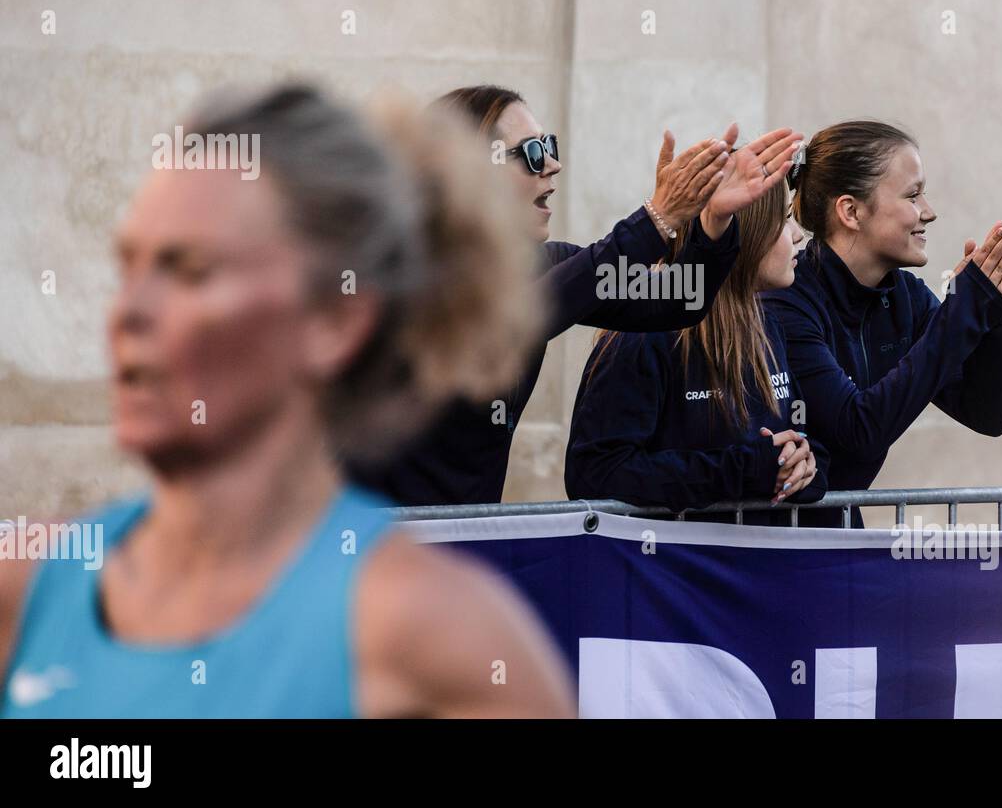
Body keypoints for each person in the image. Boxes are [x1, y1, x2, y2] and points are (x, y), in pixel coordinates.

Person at [0, 83, 574, 717]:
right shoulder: (29, 585)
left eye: (191, 270)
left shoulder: (449, 645)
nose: (128, 313)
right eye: (129, 267)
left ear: (334, 321)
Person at [346, 85, 802, 507]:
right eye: (531, 153)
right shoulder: (404, 279)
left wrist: (713, 222)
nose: (552, 164)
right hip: (359, 555)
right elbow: (512, 321)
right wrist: (656, 219)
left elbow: (679, 298)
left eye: (551, 147)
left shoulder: (544, 266)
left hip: (453, 549)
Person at [764, 120, 1002, 527]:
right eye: (913, 194)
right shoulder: (785, 299)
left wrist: (993, 311)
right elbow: (858, 429)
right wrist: (964, 310)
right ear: (851, 211)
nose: (929, 212)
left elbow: (988, 414)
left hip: (836, 533)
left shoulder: (906, 297)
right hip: (755, 547)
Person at [565, 171, 825, 525]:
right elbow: (595, 475)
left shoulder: (769, 324)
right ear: (746, 235)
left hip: (750, 571)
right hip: (670, 572)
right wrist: (743, 472)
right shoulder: (642, 337)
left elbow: (786, 442)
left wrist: (803, 467)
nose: (798, 235)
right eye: (783, 219)